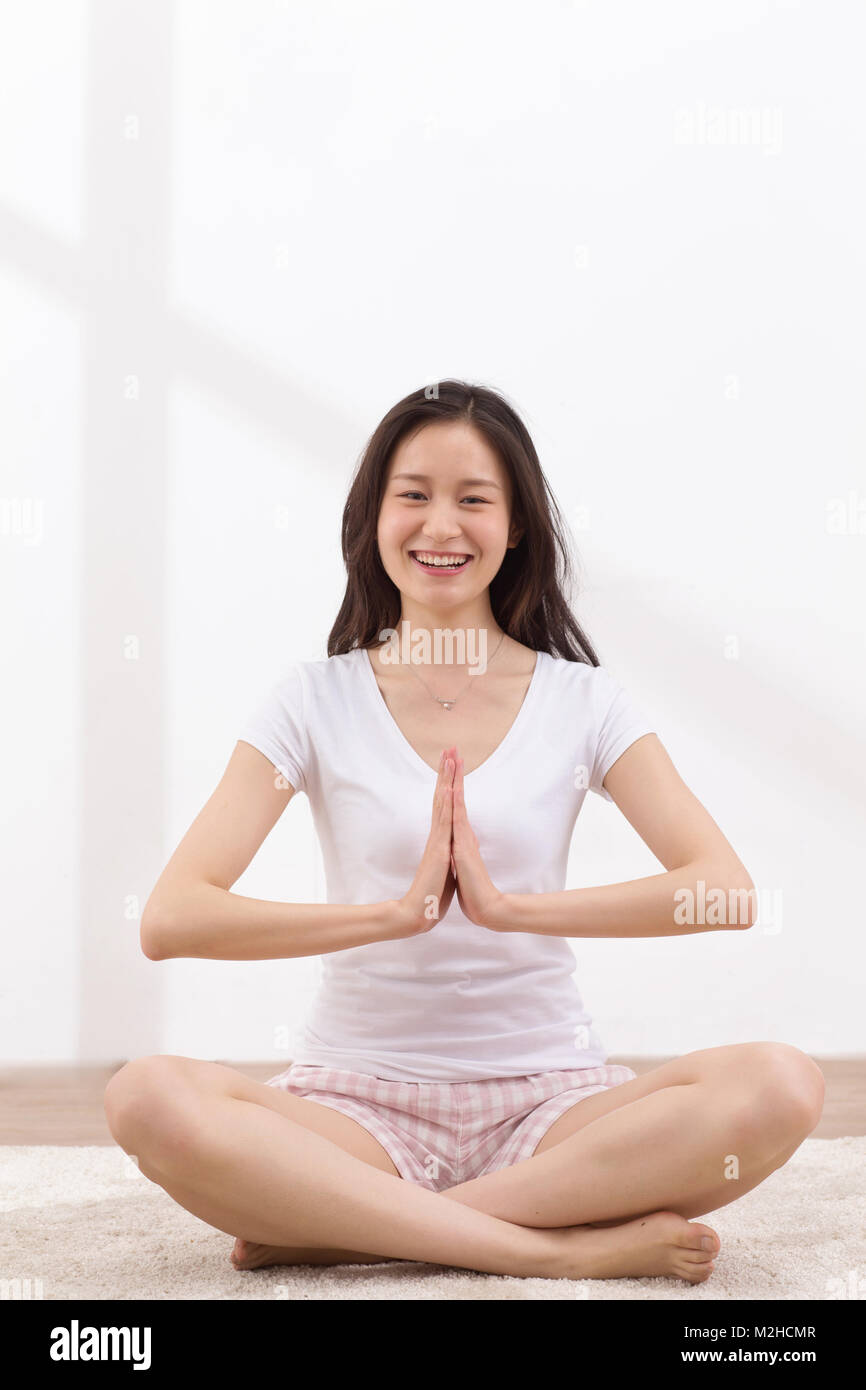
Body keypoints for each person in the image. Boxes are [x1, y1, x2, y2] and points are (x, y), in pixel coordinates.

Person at [104, 380, 824, 1284]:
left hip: (551, 1112)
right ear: (374, 515)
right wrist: (390, 916)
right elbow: (171, 918)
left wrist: (509, 908)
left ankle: (353, 1227)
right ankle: (551, 1247)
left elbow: (723, 889)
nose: (440, 525)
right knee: (147, 1096)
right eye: (413, 495)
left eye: (473, 499)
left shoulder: (582, 701)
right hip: (352, 1111)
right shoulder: (312, 700)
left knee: (782, 1083)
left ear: (516, 526)